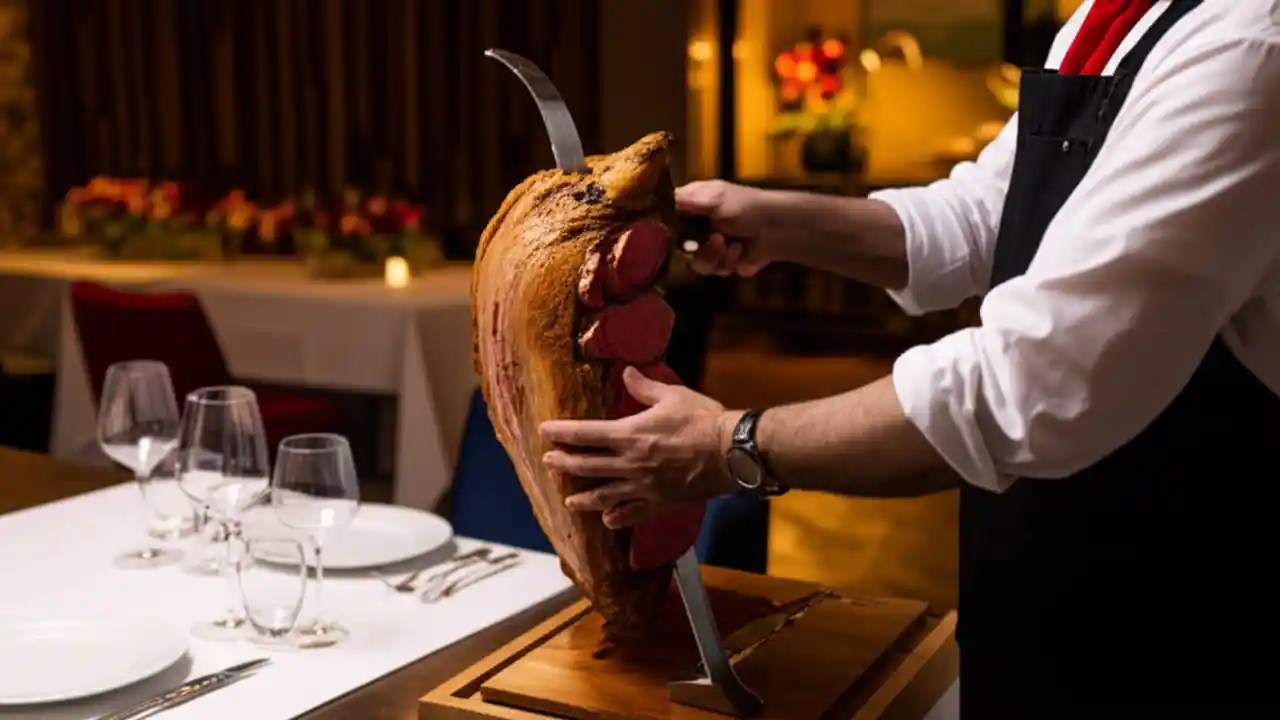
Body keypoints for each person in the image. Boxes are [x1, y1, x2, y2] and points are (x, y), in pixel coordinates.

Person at [540, 0, 1280, 714]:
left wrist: (729, 444)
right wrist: (780, 220)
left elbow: (1029, 384)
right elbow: (981, 216)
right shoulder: (1114, 16)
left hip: (1184, 614)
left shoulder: (1250, 44)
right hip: (1043, 592)